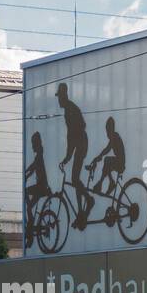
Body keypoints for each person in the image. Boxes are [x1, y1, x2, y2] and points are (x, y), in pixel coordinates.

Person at [56, 83, 89, 228]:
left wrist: (68, 156)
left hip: (81, 142)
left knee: (75, 178)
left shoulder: (70, 109)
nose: (58, 100)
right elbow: (71, 136)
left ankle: (86, 204)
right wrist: (68, 156)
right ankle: (81, 212)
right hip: (79, 141)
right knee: (75, 179)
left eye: (59, 97)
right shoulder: (68, 109)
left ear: (64, 96)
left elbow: (74, 133)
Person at [23, 131, 51, 248]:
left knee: (26, 194)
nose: (32, 146)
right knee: (29, 205)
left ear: (36, 144)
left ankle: (31, 220)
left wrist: (26, 175)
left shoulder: (39, 155)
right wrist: (26, 173)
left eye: (33, 144)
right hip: (41, 186)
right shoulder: (39, 154)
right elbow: (33, 167)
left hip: (42, 187)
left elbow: (34, 166)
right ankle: (31, 216)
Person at [86, 116, 126, 194]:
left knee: (107, 160)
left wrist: (99, 156)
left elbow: (107, 149)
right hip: (118, 162)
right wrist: (99, 157)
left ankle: (103, 183)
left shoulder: (115, 137)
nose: (107, 132)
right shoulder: (113, 137)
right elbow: (106, 149)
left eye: (108, 130)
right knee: (106, 166)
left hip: (120, 163)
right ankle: (107, 183)